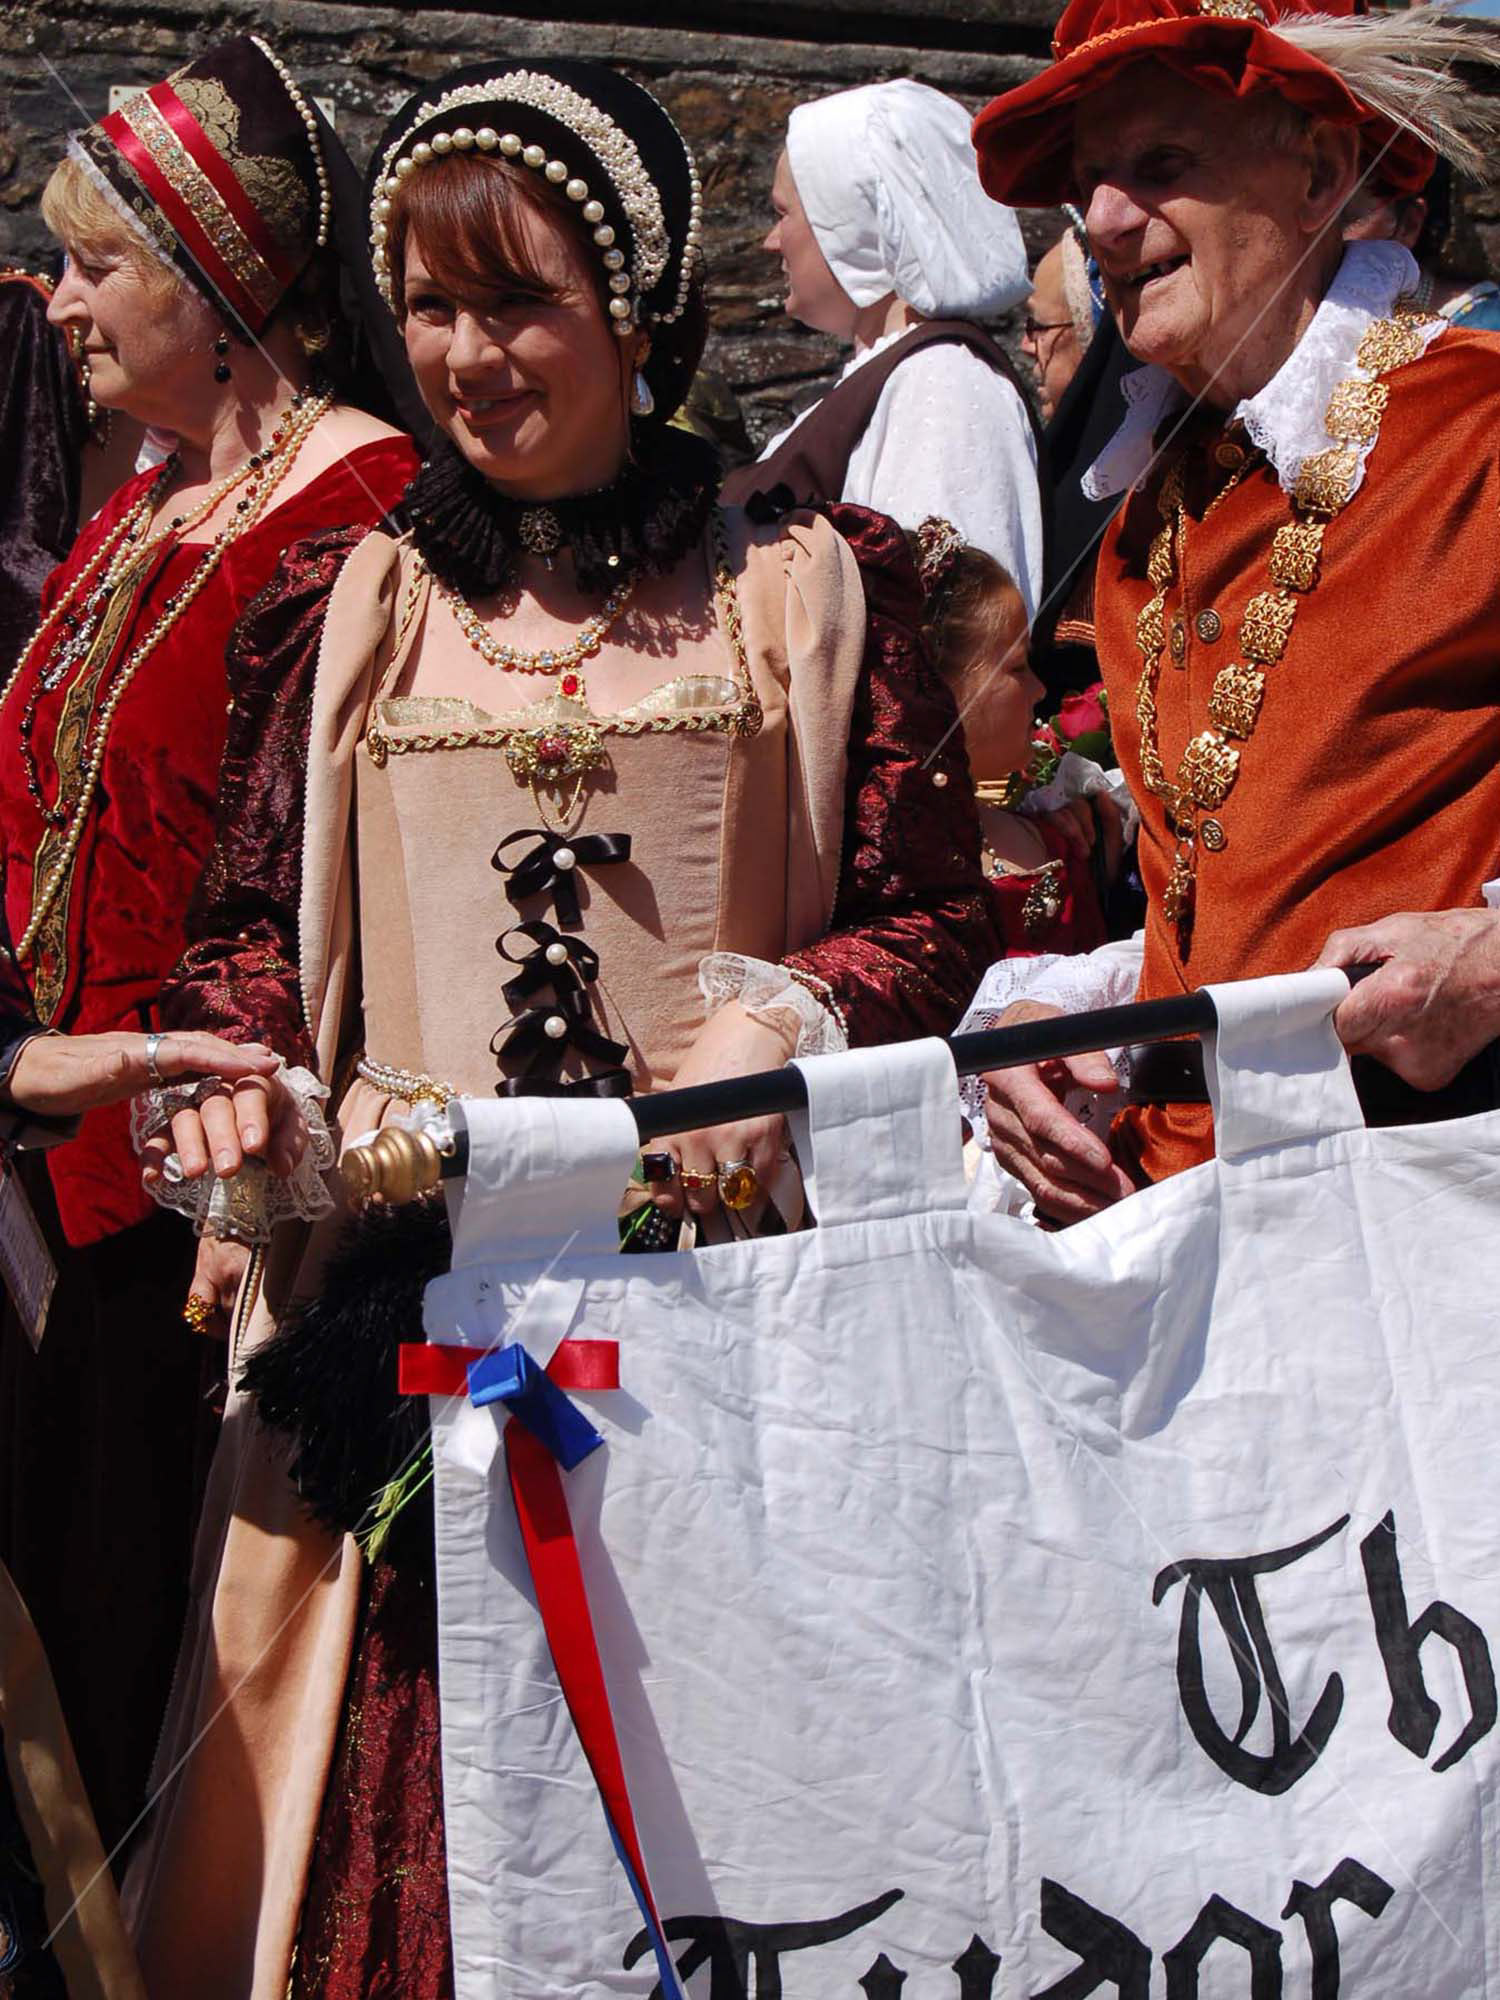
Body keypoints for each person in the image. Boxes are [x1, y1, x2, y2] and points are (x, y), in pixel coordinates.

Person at [120, 58, 997, 1997]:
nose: (464, 353)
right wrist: (239, 1091)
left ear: (642, 303)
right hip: (410, 1338)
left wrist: (782, 1020)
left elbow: (942, 919)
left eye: (517, 300)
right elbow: (251, 938)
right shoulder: (341, 611)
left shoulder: (811, 591)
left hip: (716, 1333)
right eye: (427, 305)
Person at [0, 34, 419, 1860]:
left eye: (97, 267)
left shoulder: (360, 506)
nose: (61, 307)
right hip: (48, 1168)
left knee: (148, 1689)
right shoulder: (146, 500)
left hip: (203, 1199)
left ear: (219, 277)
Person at [961, 0, 1500, 1223]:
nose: (1099, 219)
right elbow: (1207, 909)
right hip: (1197, 1232)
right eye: (1089, 184)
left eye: (1160, 167)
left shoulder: (1477, 426)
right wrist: (1068, 1028)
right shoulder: (1153, 511)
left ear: (1317, 174)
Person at [721, 79, 1045, 619]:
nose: (770, 241)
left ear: (850, 222)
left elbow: (951, 643)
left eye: (784, 213)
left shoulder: (943, 384)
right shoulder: (893, 375)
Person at [911, 516, 1114, 960]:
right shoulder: (876, 871)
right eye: (1018, 667)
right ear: (937, 686)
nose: (1040, 691)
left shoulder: (1053, 840)